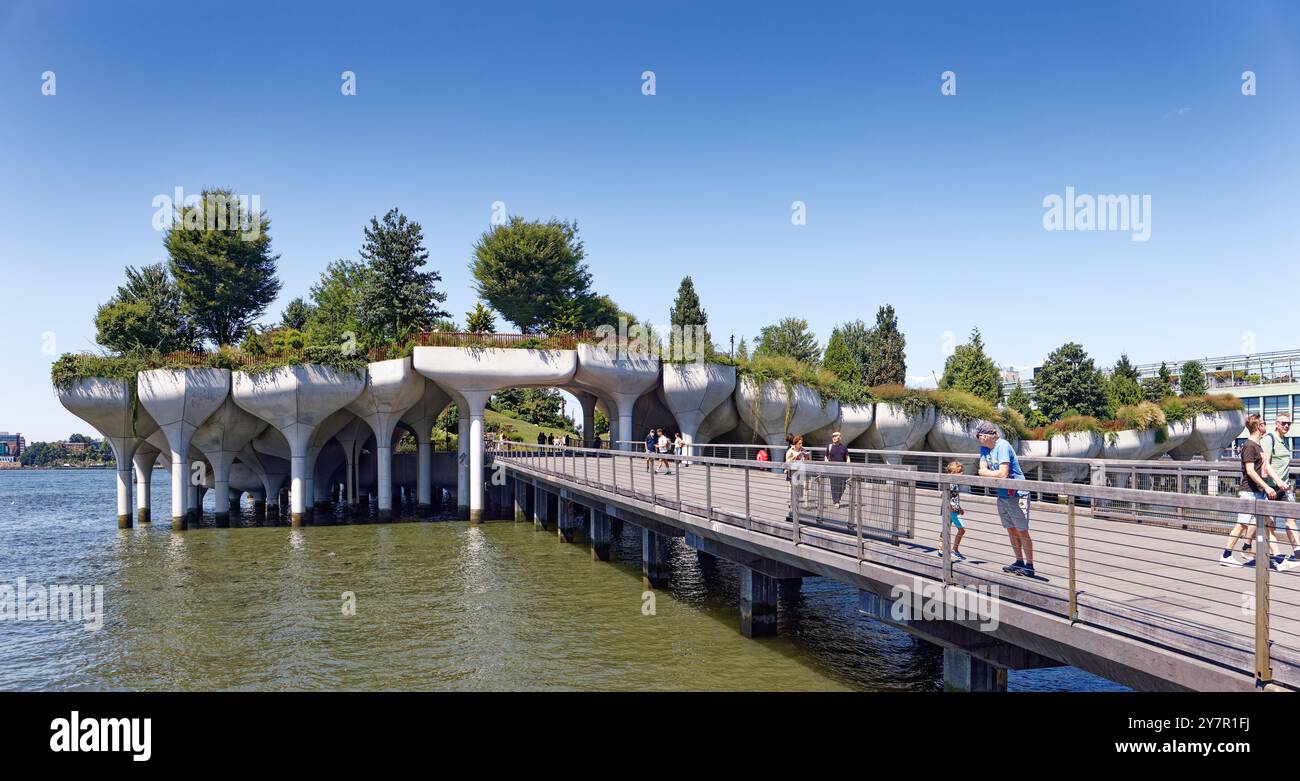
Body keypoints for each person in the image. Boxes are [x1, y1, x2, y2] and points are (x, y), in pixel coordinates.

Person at [1220, 413, 1281, 569]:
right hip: (1249, 491)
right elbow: (1250, 471)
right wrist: (1267, 486)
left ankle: (1275, 557)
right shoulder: (1249, 446)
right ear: (1259, 426)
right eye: (1264, 423)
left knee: (1267, 523)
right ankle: (1226, 555)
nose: (1266, 425)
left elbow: (1265, 467)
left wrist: (1278, 482)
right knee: (1242, 525)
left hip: (1258, 492)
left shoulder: (1258, 445)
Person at [975, 422, 1034, 577]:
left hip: (1017, 493)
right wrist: (988, 473)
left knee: (1022, 530)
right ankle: (1019, 561)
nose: (978, 439)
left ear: (985, 436)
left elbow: (1002, 473)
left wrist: (987, 473)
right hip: (1003, 494)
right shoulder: (984, 448)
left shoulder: (1002, 446)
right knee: (1011, 529)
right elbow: (981, 470)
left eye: (978, 436)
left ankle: (1030, 565)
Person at [1260, 413, 1300, 569]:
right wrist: (1277, 482)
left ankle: (1298, 553)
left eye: (1289, 423)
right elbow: (1266, 464)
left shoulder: (1284, 441)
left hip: (1285, 488)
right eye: (1283, 423)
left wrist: (1285, 483)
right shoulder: (1269, 439)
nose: (1286, 426)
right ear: (1276, 424)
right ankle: (1276, 557)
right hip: (1271, 487)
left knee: (1291, 519)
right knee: (1270, 524)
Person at [937, 460, 968, 560]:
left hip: (951, 509)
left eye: (961, 471)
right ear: (952, 472)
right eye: (959, 472)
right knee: (961, 530)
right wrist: (951, 506)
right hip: (952, 510)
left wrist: (960, 508)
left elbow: (954, 497)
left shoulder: (953, 482)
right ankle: (954, 550)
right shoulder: (951, 483)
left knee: (946, 528)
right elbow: (944, 495)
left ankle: (941, 550)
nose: (961, 474)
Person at [785, 435, 810, 512]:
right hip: (793, 472)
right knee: (793, 488)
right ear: (795, 444)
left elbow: (808, 460)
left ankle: (806, 504)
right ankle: (792, 503)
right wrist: (795, 458)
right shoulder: (790, 451)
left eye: (801, 443)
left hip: (802, 471)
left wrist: (807, 457)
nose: (801, 445)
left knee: (805, 487)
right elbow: (787, 462)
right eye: (799, 443)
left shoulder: (803, 450)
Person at [826, 431, 849, 507]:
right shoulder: (829, 446)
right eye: (833, 436)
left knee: (843, 486)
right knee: (834, 486)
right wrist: (826, 464)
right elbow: (826, 456)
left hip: (842, 470)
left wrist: (849, 465)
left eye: (835, 436)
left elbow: (847, 457)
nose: (834, 437)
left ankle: (837, 499)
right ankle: (836, 501)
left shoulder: (844, 447)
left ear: (839, 438)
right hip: (832, 469)